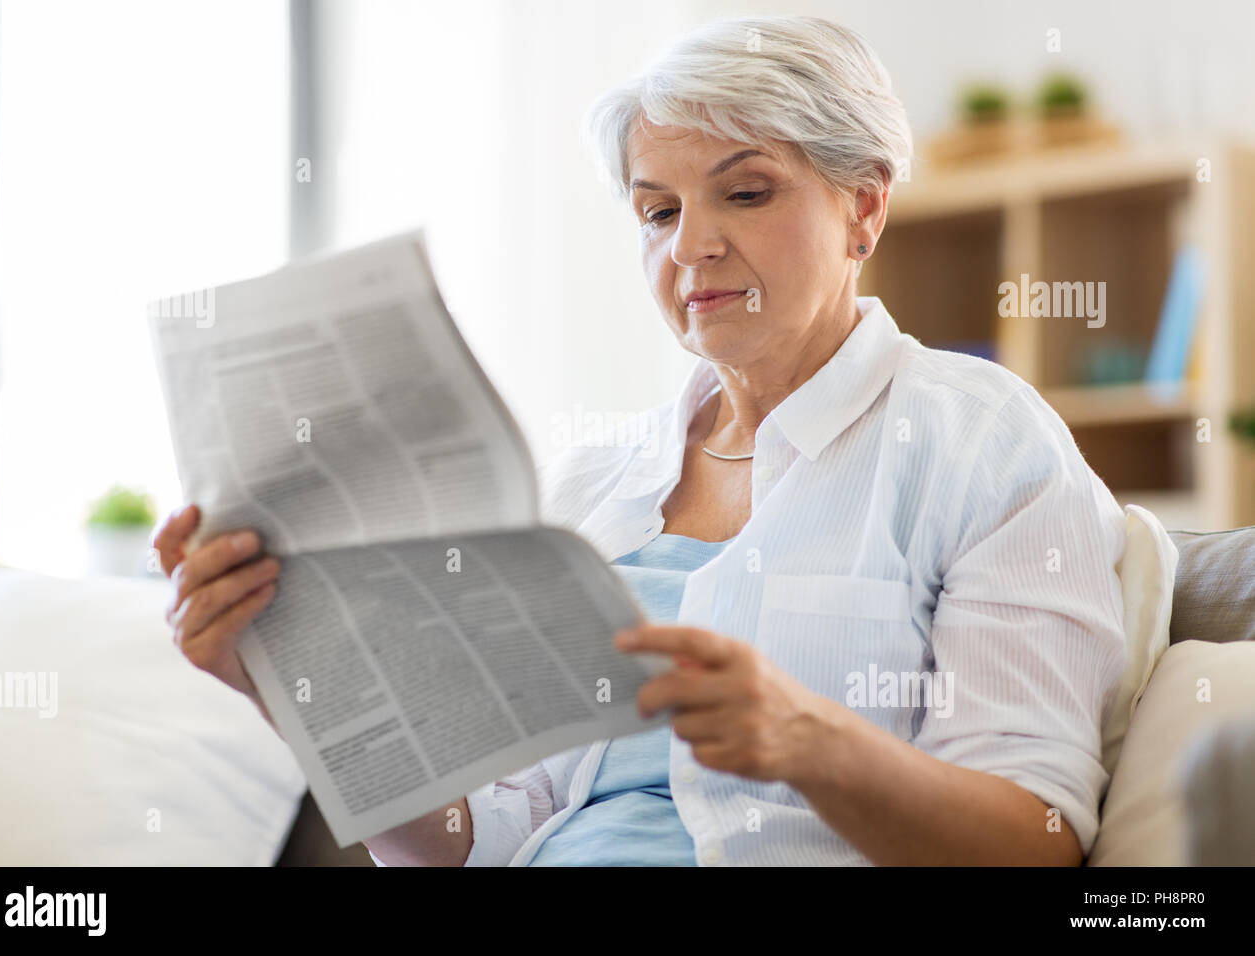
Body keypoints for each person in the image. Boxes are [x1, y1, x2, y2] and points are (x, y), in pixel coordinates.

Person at [155, 15, 1126, 866]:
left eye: (744, 193)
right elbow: (477, 839)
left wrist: (806, 739)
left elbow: (1030, 840)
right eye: (657, 209)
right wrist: (287, 684)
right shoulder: (589, 481)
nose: (689, 244)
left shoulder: (983, 444)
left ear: (862, 206)